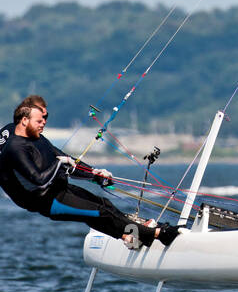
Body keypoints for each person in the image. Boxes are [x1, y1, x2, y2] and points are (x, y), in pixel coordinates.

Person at [0, 95, 179, 249]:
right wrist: (59, 164)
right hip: (46, 201)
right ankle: (157, 234)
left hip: (58, 189)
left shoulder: (29, 134)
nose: (44, 123)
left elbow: (62, 157)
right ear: (24, 120)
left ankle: (128, 237)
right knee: (100, 212)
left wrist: (94, 174)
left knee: (103, 205)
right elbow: (39, 179)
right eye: (40, 120)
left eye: (45, 118)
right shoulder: (16, 147)